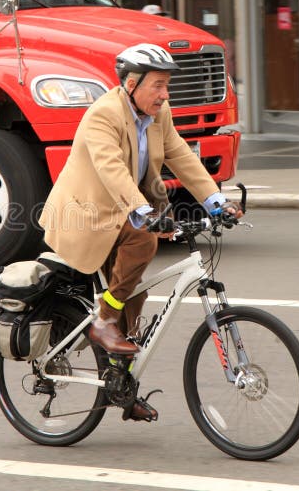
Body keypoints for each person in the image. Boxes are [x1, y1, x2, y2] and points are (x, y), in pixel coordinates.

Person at [38, 43, 242, 421]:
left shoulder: (157, 115)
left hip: (121, 213)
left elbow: (180, 154)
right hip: (88, 216)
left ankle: (121, 390)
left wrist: (215, 201)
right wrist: (145, 212)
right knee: (143, 242)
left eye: (167, 86)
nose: (166, 94)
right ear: (132, 84)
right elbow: (112, 168)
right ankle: (101, 321)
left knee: (135, 301)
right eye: (159, 85)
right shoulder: (104, 115)